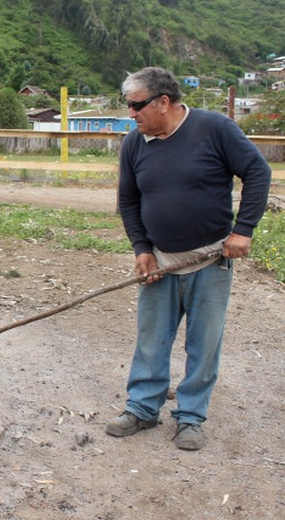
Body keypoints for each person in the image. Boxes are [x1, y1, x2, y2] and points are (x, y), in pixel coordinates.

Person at [106, 67, 271, 451]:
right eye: (128, 106)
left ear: (164, 102)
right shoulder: (134, 143)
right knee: (151, 339)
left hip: (211, 260)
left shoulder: (215, 129)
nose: (131, 113)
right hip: (160, 261)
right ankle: (143, 409)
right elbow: (129, 200)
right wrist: (142, 249)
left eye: (136, 105)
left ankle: (191, 417)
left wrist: (243, 230)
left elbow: (257, 172)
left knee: (203, 343)